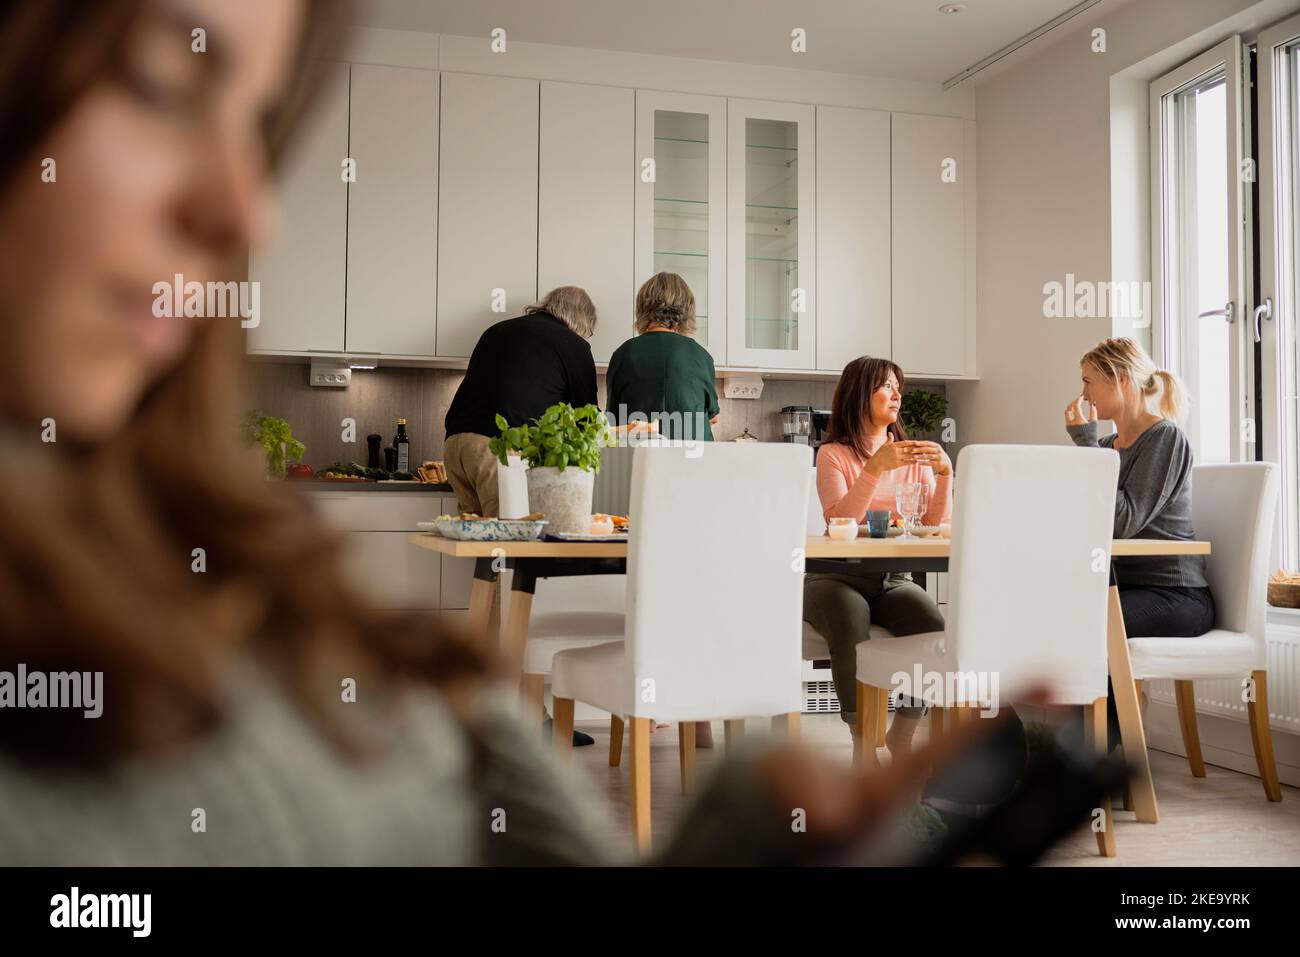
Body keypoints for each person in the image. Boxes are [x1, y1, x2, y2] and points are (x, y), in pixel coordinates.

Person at [0, 0, 1011, 867]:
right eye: (159, 86)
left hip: (481, 455)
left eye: (260, 127)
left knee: (503, 556)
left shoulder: (248, 580)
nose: (248, 212)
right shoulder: (597, 359)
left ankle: (511, 602)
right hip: (555, 485)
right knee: (514, 550)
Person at [1065, 338, 1214, 739]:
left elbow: (1121, 521)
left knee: (1091, 628)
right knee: (1058, 619)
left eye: (1089, 382)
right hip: (1122, 589)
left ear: (1122, 380)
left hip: (1176, 595)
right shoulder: (1105, 446)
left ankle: (1090, 766)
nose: (1083, 395)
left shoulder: (1165, 438)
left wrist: (1084, 445)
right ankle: (1073, 761)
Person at [804, 357, 952, 754]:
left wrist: (944, 475)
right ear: (859, 394)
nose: (897, 394)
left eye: (897, 386)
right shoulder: (833, 454)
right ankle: (864, 742)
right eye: (886, 386)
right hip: (832, 578)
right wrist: (874, 468)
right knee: (851, 618)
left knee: (932, 626)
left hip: (893, 579)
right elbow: (840, 520)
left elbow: (934, 525)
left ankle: (903, 732)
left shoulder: (912, 455)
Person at [443, 287, 599, 518]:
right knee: (510, 540)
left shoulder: (496, 330)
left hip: (455, 446)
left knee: (480, 539)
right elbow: (588, 417)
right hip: (496, 450)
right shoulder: (574, 345)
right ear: (583, 321)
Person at [606, 272, 719, 443]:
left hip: (641, 459)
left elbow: (613, 419)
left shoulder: (623, 353)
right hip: (695, 461)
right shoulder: (701, 356)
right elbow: (713, 415)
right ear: (687, 310)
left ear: (643, 308)